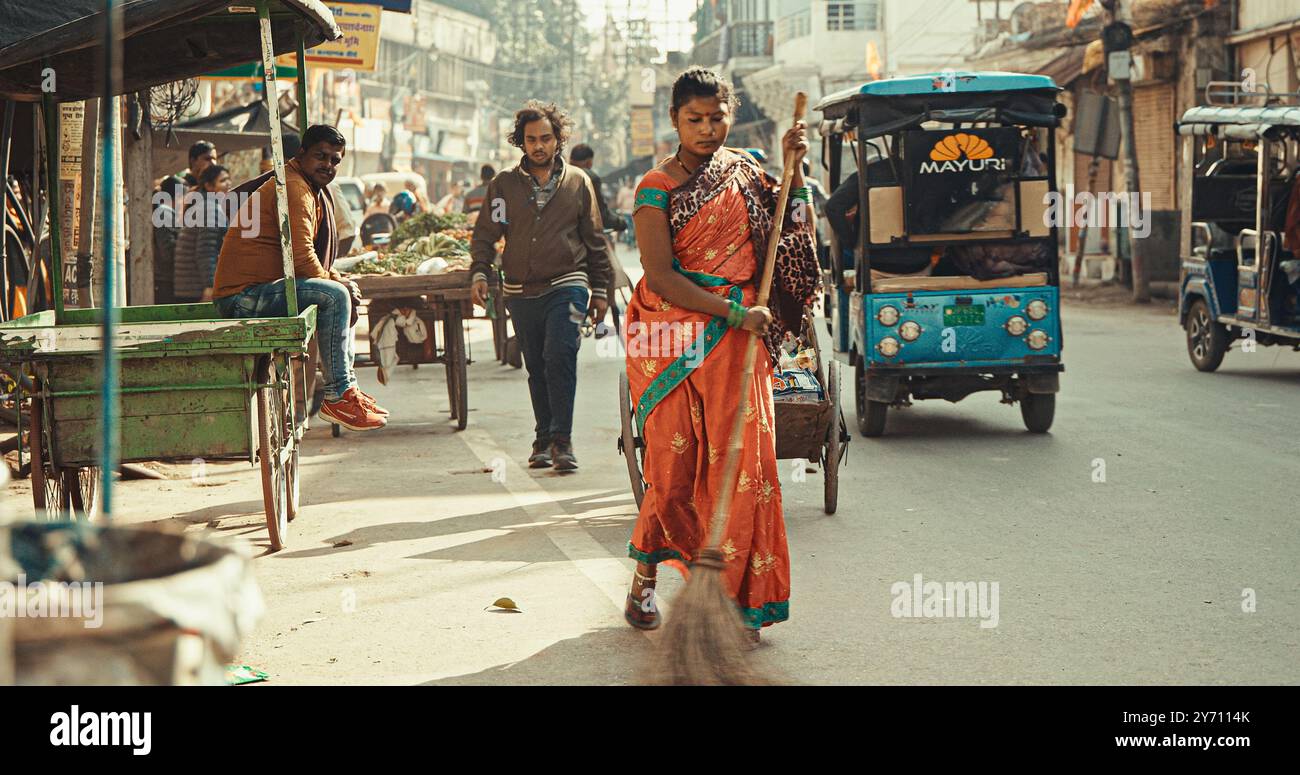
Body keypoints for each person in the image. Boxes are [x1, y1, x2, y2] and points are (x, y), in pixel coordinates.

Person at [621, 67, 818, 643]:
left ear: (730, 115)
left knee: (742, 475)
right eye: (693, 119)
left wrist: (794, 168)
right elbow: (659, 275)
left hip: (739, 342)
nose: (707, 129)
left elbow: (796, 232)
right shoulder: (653, 185)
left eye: (716, 118)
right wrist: (731, 312)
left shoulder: (750, 173)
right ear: (675, 121)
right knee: (672, 469)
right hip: (665, 337)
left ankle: (734, 602)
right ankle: (644, 580)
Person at [212, 124, 388, 432]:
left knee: (341, 289)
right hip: (242, 298)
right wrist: (335, 285)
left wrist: (336, 277)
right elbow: (301, 256)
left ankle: (347, 391)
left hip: (259, 290)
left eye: (335, 160)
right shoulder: (295, 187)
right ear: (302, 154)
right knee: (334, 296)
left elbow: (308, 257)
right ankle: (337, 395)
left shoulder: (305, 186)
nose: (328, 165)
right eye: (321, 156)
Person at [468, 100, 612, 471]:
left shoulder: (578, 183)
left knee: (560, 356)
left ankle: (562, 441)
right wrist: (481, 271)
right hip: (520, 291)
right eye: (531, 139)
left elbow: (594, 240)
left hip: (569, 282)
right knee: (536, 364)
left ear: (558, 139)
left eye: (545, 138)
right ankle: (542, 438)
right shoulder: (503, 186)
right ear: (521, 142)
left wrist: (600, 290)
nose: (538, 146)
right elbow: (488, 233)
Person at [173, 164, 230, 303]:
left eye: (229, 179)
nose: (228, 184)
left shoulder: (202, 205)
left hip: (188, 287)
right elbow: (205, 251)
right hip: (197, 289)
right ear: (209, 186)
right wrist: (209, 286)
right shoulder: (210, 209)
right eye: (223, 181)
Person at [569, 144, 623, 236]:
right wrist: (620, 223)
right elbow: (601, 214)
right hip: (582, 237)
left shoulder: (559, 173)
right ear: (589, 162)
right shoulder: (590, 177)